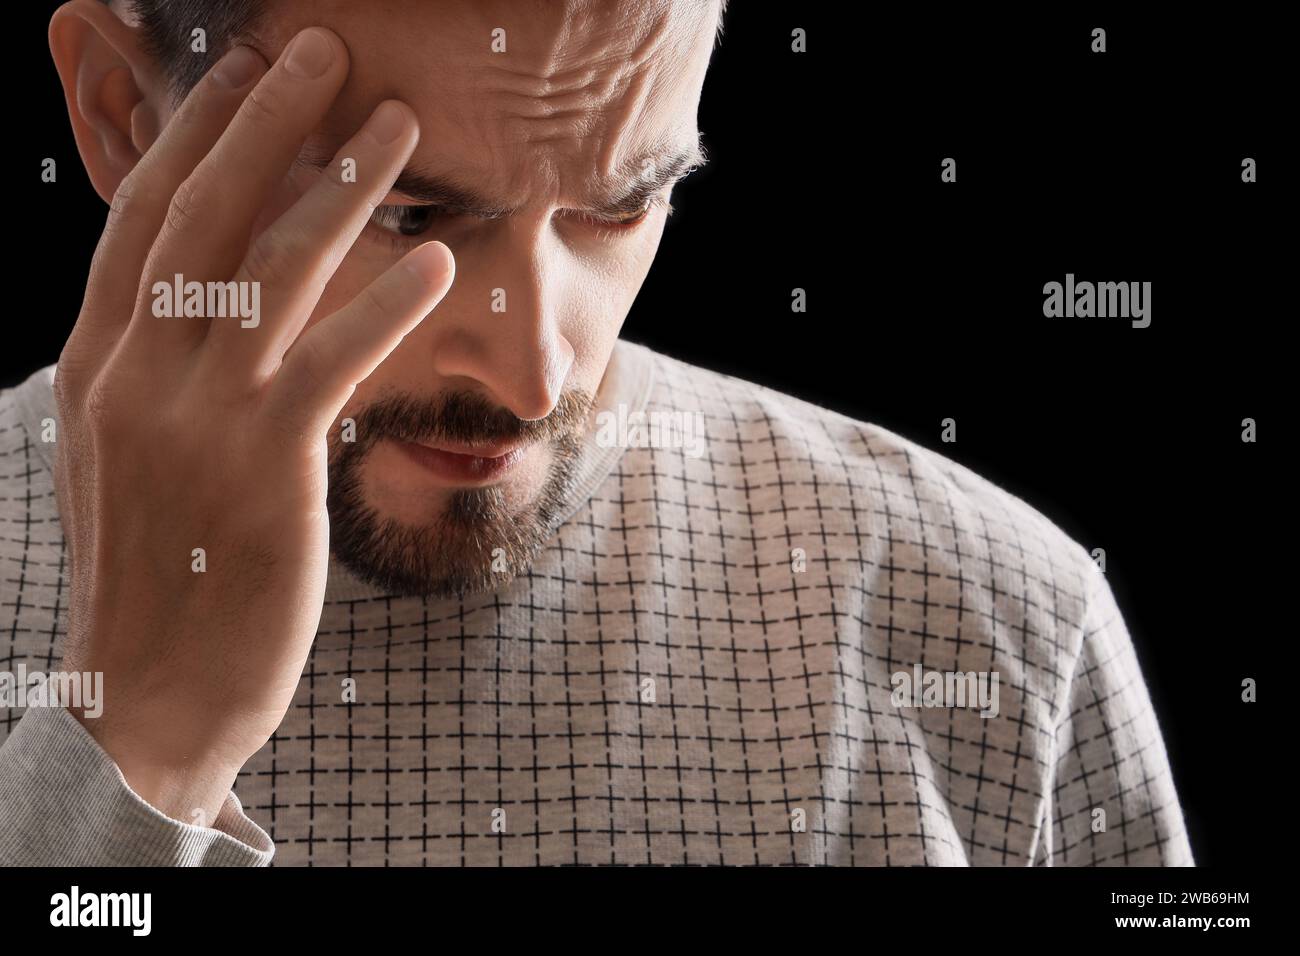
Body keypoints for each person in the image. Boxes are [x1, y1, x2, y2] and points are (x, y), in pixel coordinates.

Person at [0, 0, 1192, 865]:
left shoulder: (1002, 627)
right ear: (120, 112)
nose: (534, 376)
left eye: (619, 207)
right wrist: (133, 750)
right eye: (409, 210)